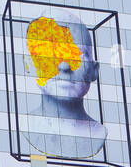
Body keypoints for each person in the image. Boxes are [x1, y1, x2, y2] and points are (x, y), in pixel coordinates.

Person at [24, 17, 108, 159]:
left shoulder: (97, 134)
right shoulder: (24, 126)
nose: (64, 66)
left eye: (75, 56)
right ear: (29, 65)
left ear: (94, 70)